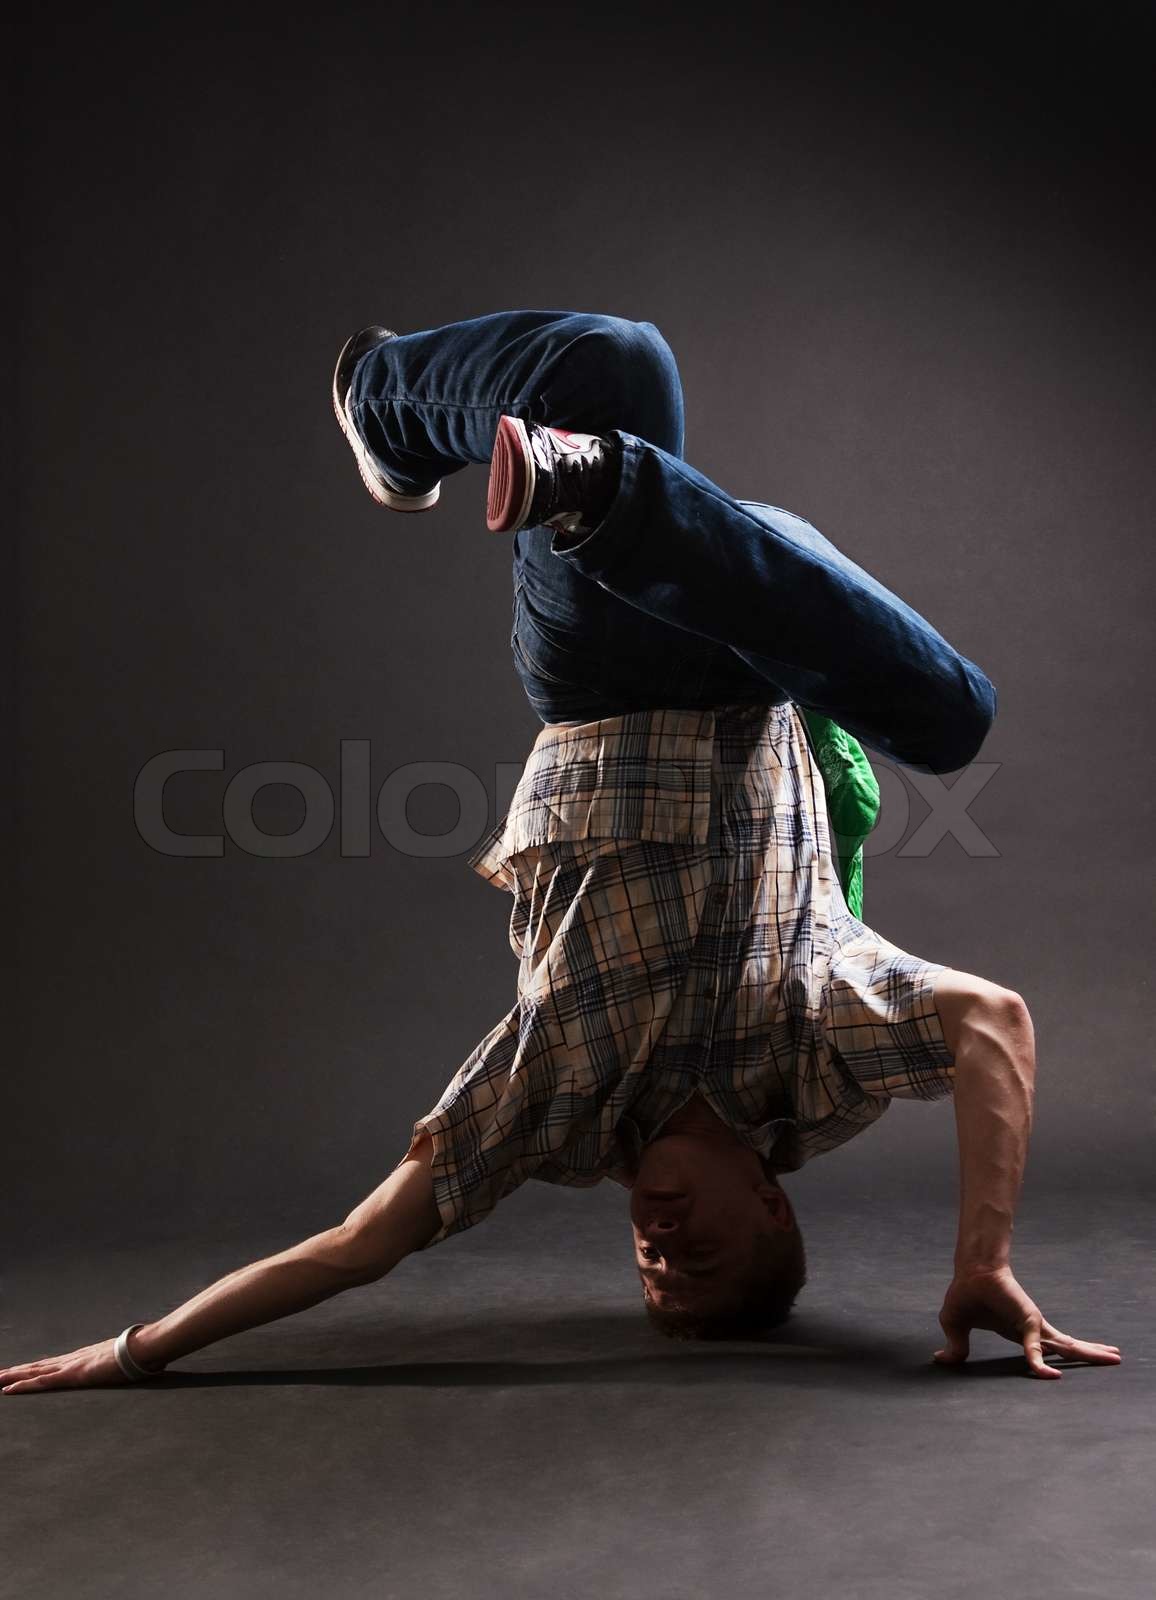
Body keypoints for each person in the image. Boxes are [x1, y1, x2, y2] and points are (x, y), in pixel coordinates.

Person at [2, 311, 1121, 1394]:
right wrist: (981, 1262)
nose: (660, 1247)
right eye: (703, 1260)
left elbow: (356, 1244)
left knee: (612, 365)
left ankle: (474, 439)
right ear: (770, 1206)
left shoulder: (556, 1096)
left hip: (602, 671)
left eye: (650, 1276)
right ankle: (578, 482)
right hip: (759, 646)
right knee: (954, 717)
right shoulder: (817, 1049)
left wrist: (137, 1349)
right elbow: (992, 1025)